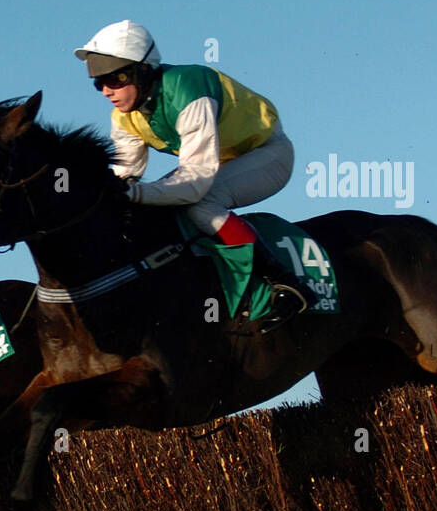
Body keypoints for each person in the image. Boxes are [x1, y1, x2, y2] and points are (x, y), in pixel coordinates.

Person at [74, 20, 316, 326]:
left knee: (201, 204)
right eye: (99, 83)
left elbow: (195, 183)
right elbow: (125, 179)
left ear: (144, 70)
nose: (106, 91)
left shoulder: (188, 87)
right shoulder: (123, 117)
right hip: (222, 162)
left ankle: (284, 284)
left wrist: (131, 192)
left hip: (268, 154)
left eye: (116, 79)